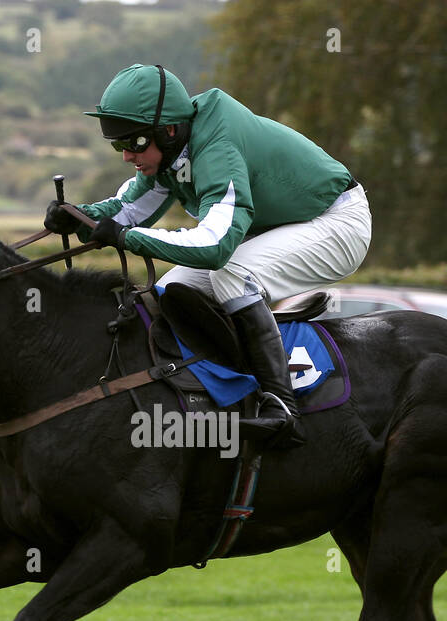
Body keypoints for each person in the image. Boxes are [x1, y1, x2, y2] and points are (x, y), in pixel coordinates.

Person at [45, 63, 371, 449]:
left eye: (134, 143)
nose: (127, 156)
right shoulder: (170, 150)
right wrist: (79, 217)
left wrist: (127, 238)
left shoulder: (217, 146)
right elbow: (127, 211)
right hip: (284, 225)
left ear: (168, 131)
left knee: (232, 275)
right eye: (119, 145)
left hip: (338, 222)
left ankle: (282, 408)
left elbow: (215, 247)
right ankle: (218, 393)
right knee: (167, 293)